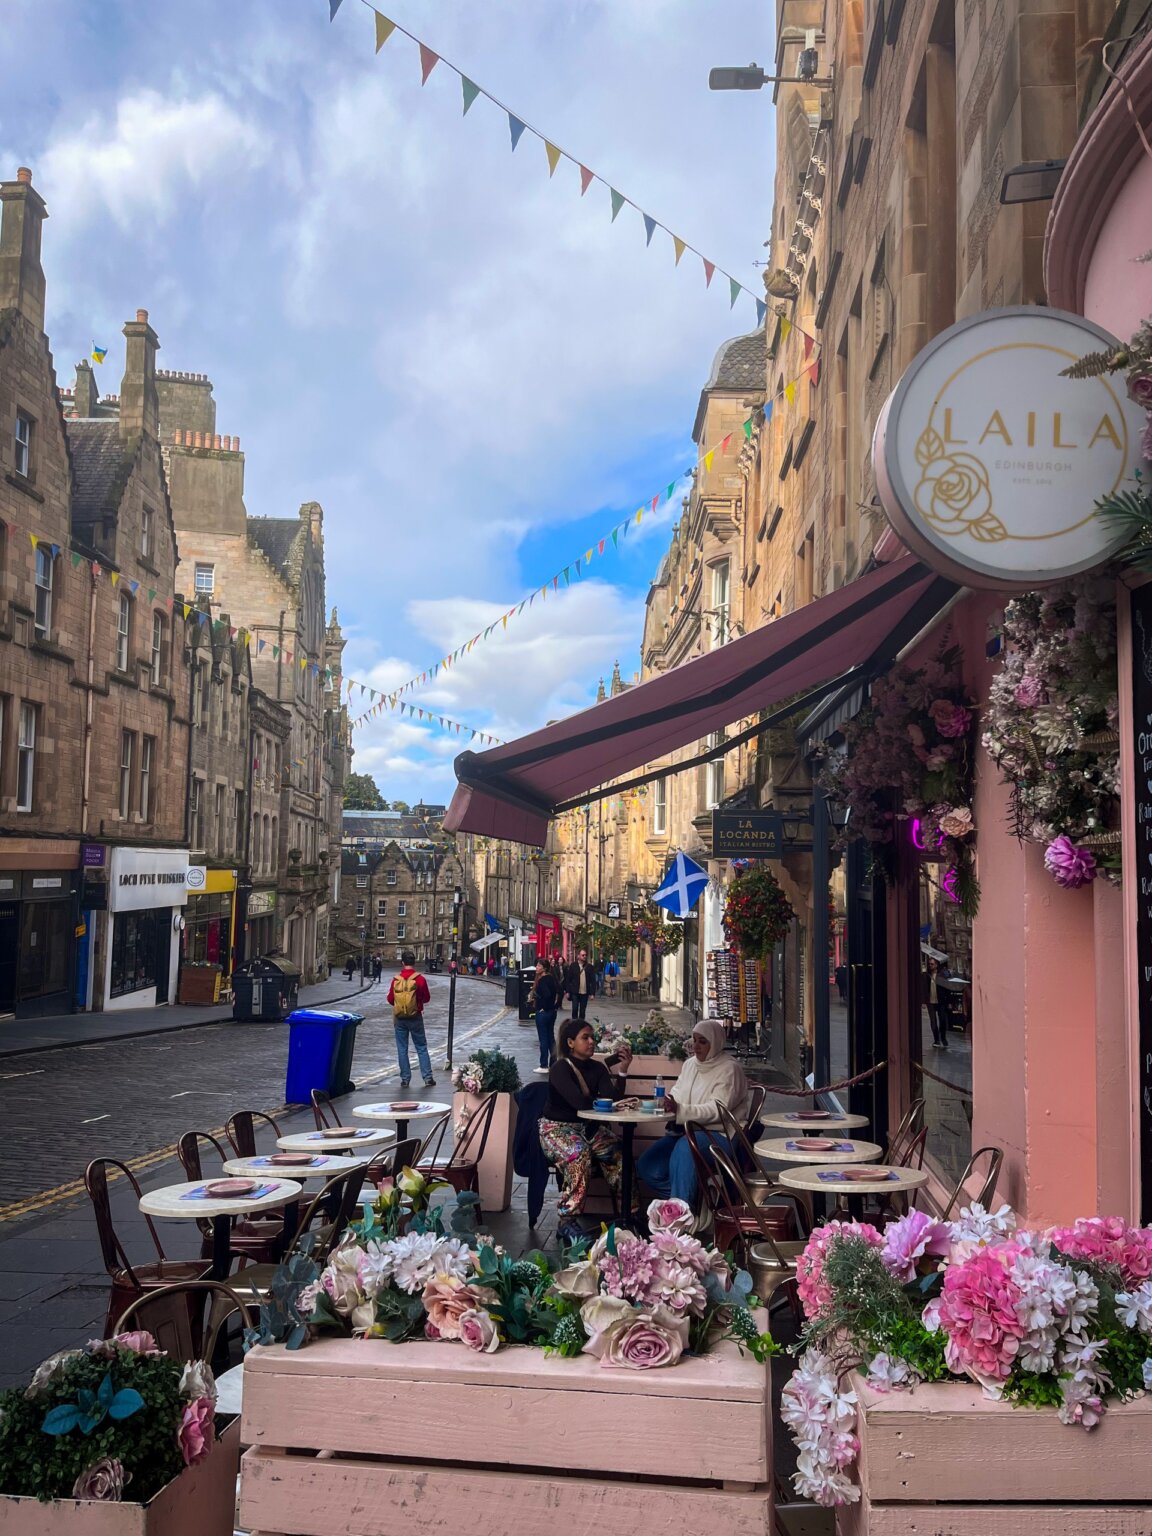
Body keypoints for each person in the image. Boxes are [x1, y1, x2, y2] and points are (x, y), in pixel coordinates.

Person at [635, 1020, 750, 1216]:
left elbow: (718, 1109)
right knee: (648, 1165)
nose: (696, 1046)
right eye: (694, 1040)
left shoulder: (730, 1069)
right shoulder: (690, 1065)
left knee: (686, 1148)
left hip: (721, 1135)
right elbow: (678, 1092)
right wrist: (670, 1103)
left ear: (716, 1043)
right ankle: (692, 1202)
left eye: (703, 1042)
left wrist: (681, 1110)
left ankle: (680, 1217)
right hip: (687, 1131)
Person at [539, 1018, 633, 1235]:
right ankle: (567, 1219)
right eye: (585, 1038)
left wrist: (623, 1071)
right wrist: (604, 1103)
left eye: (592, 1037)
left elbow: (613, 1099)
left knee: (619, 1152)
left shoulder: (598, 1068)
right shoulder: (560, 1068)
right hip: (557, 1129)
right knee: (578, 1154)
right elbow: (579, 1103)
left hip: (589, 1128)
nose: (592, 1042)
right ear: (570, 1043)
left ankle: (629, 1213)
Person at [387, 949, 435, 1088]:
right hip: (415, 1017)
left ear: (402, 963)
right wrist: (416, 1002)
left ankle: (405, 1079)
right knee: (421, 1047)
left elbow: (390, 999)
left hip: (400, 1018)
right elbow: (427, 998)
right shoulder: (420, 979)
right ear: (414, 963)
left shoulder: (396, 980)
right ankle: (427, 1078)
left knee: (402, 1048)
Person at [531, 961, 559, 1074]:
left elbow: (547, 995)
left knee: (543, 1039)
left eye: (539, 966)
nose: (536, 967)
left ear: (544, 968)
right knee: (551, 1038)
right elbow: (560, 991)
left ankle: (543, 1065)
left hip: (543, 1013)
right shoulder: (551, 978)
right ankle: (554, 1064)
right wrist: (555, 1006)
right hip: (552, 1012)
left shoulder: (542, 980)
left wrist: (543, 1007)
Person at [923, 956, 951, 1049]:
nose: (930, 965)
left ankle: (943, 1038)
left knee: (942, 1020)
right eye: (929, 964)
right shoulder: (927, 975)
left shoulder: (942, 974)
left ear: (936, 965)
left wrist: (949, 1001)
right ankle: (936, 1040)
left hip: (941, 1001)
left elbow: (947, 987)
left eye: (932, 964)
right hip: (930, 1001)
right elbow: (924, 988)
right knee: (933, 1021)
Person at [564, 948, 597, 1020]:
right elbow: (568, 979)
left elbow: (593, 981)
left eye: (585, 955)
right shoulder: (573, 966)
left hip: (585, 992)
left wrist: (592, 993)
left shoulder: (589, 967)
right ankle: (574, 1022)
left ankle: (581, 1023)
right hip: (575, 991)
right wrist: (567, 991)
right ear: (578, 956)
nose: (584, 956)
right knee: (575, 1008)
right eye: (583, 955)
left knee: (582, 1010)